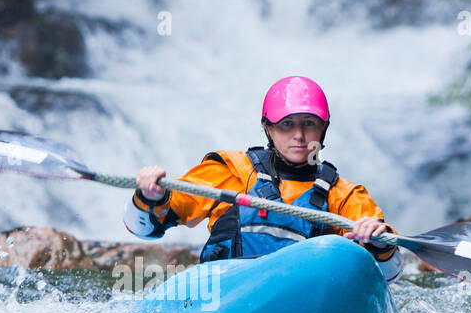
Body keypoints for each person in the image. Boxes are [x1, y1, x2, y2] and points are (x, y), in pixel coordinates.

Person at [122, 76, 402, 280]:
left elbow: (388, 275)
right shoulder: (231, 172)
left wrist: (377, 243)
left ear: (323, 128)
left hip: (302, 301)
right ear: (268, 129)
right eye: (286, 125)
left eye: (309, 124)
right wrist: (149, 196)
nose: (299, 136)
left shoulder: (344, 194)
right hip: (229, 294)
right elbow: (143, 229)